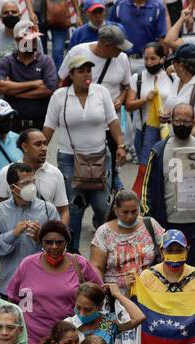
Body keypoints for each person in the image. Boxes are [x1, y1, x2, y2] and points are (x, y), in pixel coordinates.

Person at [43, 51, 126, 250]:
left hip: (100, 158)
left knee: (102, 206)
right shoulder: (59, 96)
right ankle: (73, 254)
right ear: (71, 74)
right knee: (74, 208)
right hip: (69, 160)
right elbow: (48, 127)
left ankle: (107, 248)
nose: (87, 74)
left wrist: (121, 146)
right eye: (81, 71)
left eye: (89, 70)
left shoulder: (101, 92)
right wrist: (37, 153)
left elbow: (113, 121)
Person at [3, 220, 104, 344]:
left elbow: (100, 293)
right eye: (48, 242)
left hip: (70, 340)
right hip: (32, 340)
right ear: (41, 243)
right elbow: (12, 299)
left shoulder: (79, 264)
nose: (54, 246)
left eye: (59, 242)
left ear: (66, 243)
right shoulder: (27, 264)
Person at [0, 162, 61, 286]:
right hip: (10, 284)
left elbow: (61, 246)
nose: (31, 187)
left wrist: (40, 239)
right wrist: (13, 234)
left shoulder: (48, 209)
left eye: (33, 182)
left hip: (41, 285)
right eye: (25, 183)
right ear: (13, 188)